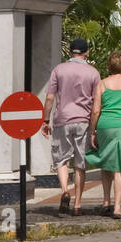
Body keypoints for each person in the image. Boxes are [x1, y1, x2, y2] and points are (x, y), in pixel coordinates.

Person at [42, 38, 100, 216]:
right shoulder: (93, 73)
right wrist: (93, 128)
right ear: (87, 52)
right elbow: (97, 102)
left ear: (70, 52)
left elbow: (50, 98)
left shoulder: (59, 70)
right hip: (83, 120)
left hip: (62, 119)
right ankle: (77, 204)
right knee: (80, 163)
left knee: (61, 159)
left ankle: (65, 191)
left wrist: (45, 120)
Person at [85, 50, 121, 217]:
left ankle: (106, 201)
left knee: (107, 162)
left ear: (109, 66)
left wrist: (92, 131)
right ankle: (118, 207)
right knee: (120, 168)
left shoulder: (102, 84)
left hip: (106, 126)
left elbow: (96, 111)